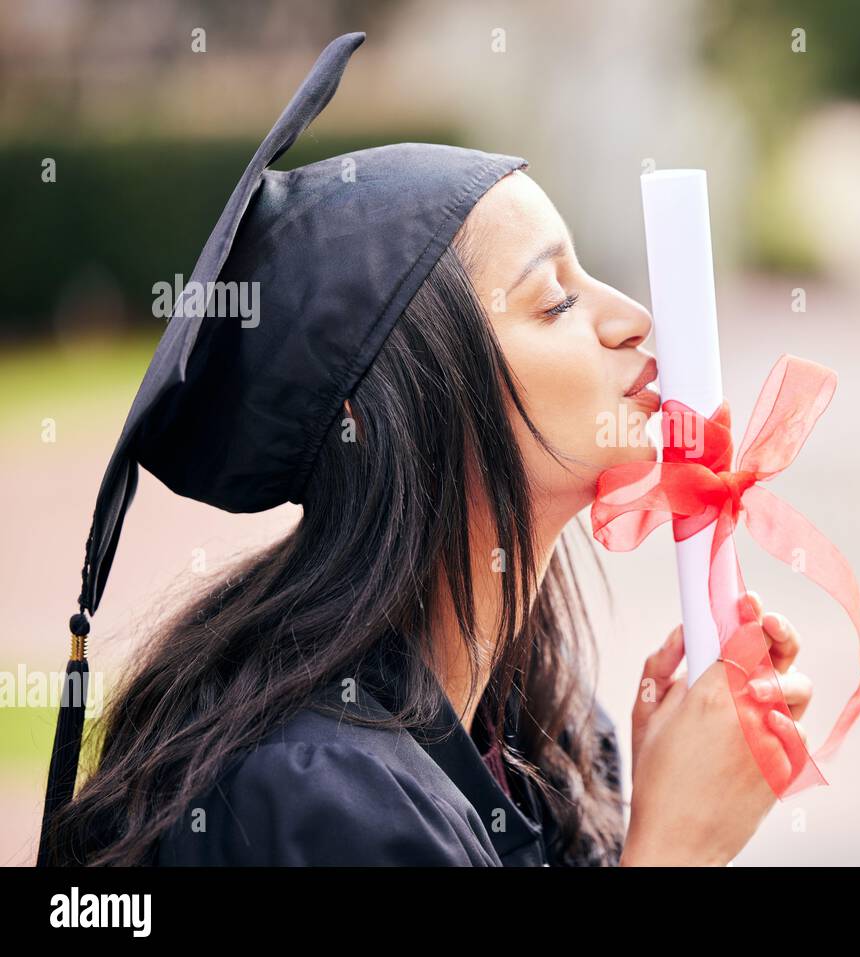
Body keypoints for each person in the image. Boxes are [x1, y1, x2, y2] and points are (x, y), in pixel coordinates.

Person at [34, 33, 814, 867]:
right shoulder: (311, 797)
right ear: (377, 417)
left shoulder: (538, 731)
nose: (630, 317)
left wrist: (667, 781)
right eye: (555, 301)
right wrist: (678, 844)